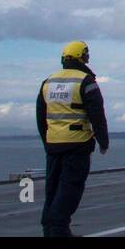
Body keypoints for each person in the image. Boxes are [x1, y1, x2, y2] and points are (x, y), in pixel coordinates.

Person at [36, 40, 109, 237]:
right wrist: (103, 141)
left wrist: (47, 141)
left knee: (52, 190)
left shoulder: (48, 82)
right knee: (70, 188)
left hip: (53, 145)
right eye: (86, 55)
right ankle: (59, 229)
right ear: (81, 57)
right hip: (77, 145)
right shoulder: (86, 81)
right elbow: (97, 114)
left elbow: (41, 117)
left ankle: (49, 229)